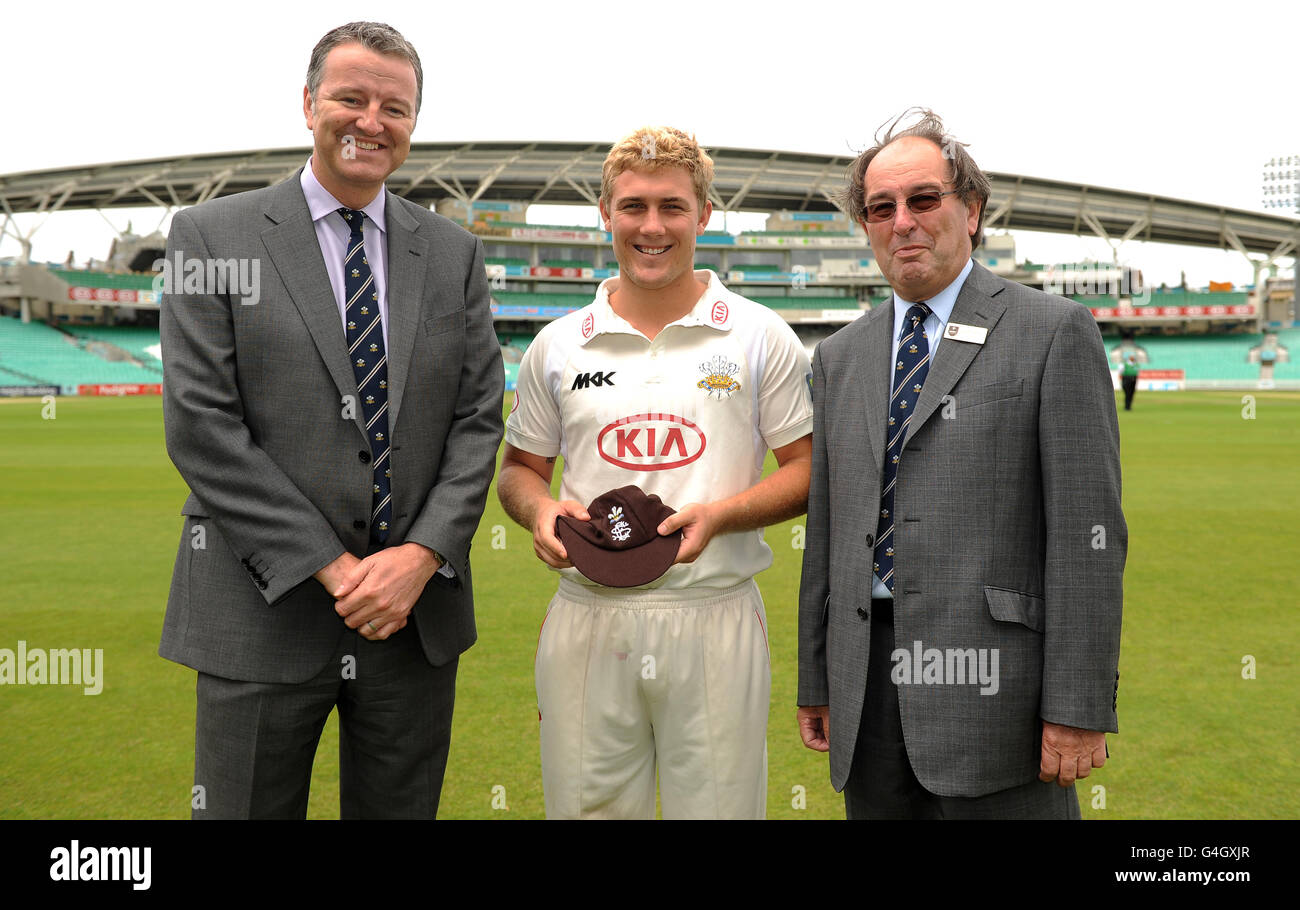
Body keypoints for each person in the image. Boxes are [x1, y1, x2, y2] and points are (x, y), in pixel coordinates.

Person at [159, 21, 504, 819]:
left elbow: (479, 417)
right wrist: (337, 568)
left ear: (414, 124)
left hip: (413, 618)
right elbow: (201, 425)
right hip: (261, 608)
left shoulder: (452, 252)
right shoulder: (212, 235)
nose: (372, 122)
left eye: (396, 107)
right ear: (309, 103)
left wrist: (418, 557)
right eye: (351, 98)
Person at [796, 109, 1125, 819]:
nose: (902, 221)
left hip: (998, 694)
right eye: (881, 208)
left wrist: (1078, 702)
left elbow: (1088, 538)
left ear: (971, 209)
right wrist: (817, 675)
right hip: (866, 689)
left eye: (923, 199)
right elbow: (827, 530)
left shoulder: (1051, 331)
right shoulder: (838, 357)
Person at [498, 126, 814, 819]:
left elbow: (809, 470)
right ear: (604, 214)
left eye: (672, 207)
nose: (652, 226)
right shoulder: (557, 344)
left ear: (704, 214)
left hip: (713, 611)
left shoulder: (761, 335)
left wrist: (723, 515)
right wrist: (538, 511)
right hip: (587, 615)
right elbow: (520, 469)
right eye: (633, 206)